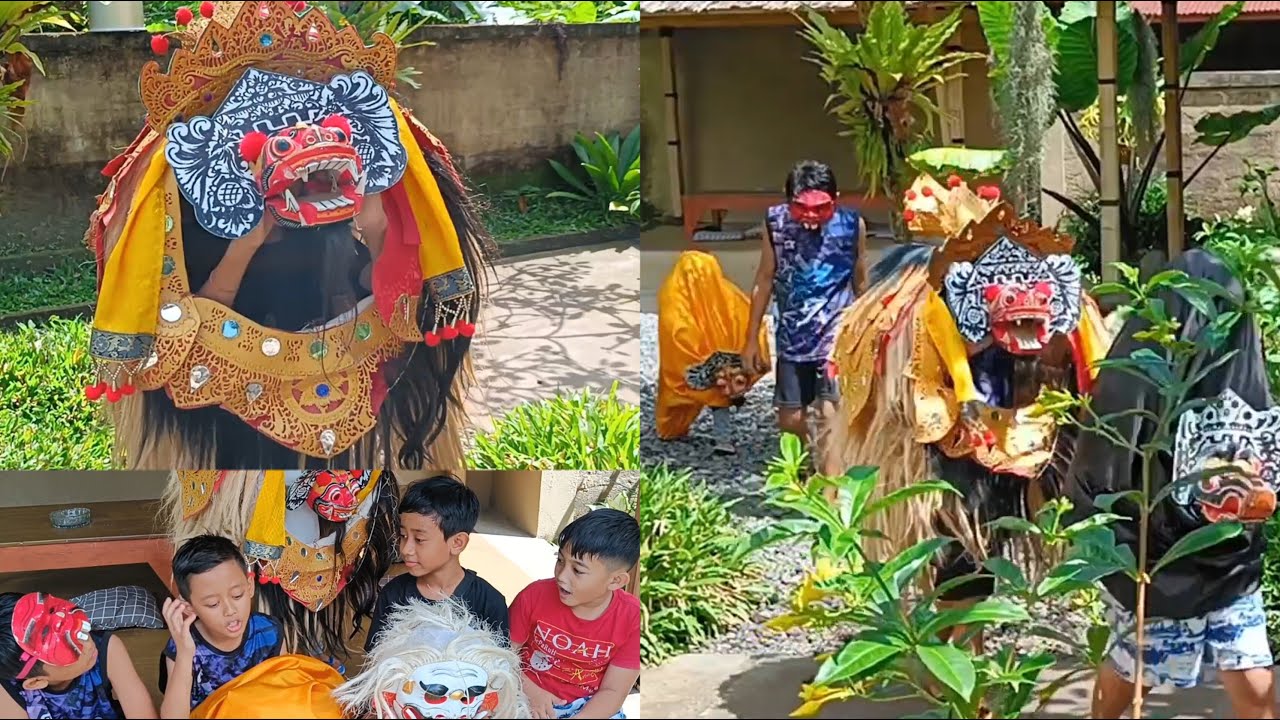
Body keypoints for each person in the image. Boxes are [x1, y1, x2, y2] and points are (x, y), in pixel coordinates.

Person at [84, 0, 487, 470]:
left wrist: (375, 215)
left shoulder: (349, 204)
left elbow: (396, 305)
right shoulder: (203, 208)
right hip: (232, 410)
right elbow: (189, 321)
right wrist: (248, 243)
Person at [1066, 249, 1278, 718]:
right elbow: (1103, 468)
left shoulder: (1238, 375)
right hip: (1151, 557)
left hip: (1227, 562)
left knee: (1249, 665)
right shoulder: (1136, 374)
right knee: (1130, 662)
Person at [741, 160, 867, 476]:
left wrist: (868, 330)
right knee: (790, 419)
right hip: (793, 337)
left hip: (836, 337)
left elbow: (860, 278)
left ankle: (831, 491)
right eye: (802, 209)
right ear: (788, 202)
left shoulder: (853, 225)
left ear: (835, 199)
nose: (811, 218)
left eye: (821, 209)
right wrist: (751, 339)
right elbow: (765, 278)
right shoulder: (775, 223)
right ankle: (807, 465)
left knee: (829, 414)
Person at [510, 509, 640, 720]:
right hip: (524, 691)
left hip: (589, 708)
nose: (561, 576)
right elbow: (503, 656)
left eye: (578, 570)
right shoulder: (533, 596)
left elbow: (613, 692)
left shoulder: (633, 618)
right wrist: (532, 692)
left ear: (615, 581)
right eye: (560, 560)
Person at [364, 476, 509, 652]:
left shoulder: (489, 602)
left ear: (457, 543)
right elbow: (378, 661)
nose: (406, 549)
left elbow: (498, 667)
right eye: (403, 536)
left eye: (419, 539)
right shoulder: (393, 595)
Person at [655, 250, 771, 455]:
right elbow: (746, 315)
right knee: (721, 397)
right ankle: (717, 437)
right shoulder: (722, 291)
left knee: (694, 396)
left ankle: (672, 428)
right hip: (719, 364)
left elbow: (676, 332)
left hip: (704, 364)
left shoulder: (674, 294)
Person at [158, 535, 283, 719]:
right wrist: (185, 654)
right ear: (189, 607)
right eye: (213, 604)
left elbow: (286, 692)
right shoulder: (183, 647)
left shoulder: (268, 632)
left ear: (250, 586)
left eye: (237, 595)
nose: (230, 610)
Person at [0, 592, 157, 719]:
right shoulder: (8, 691)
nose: (88, 644)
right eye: (67, 649)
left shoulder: (106, 648)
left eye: (79, 631)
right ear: (36, 682)